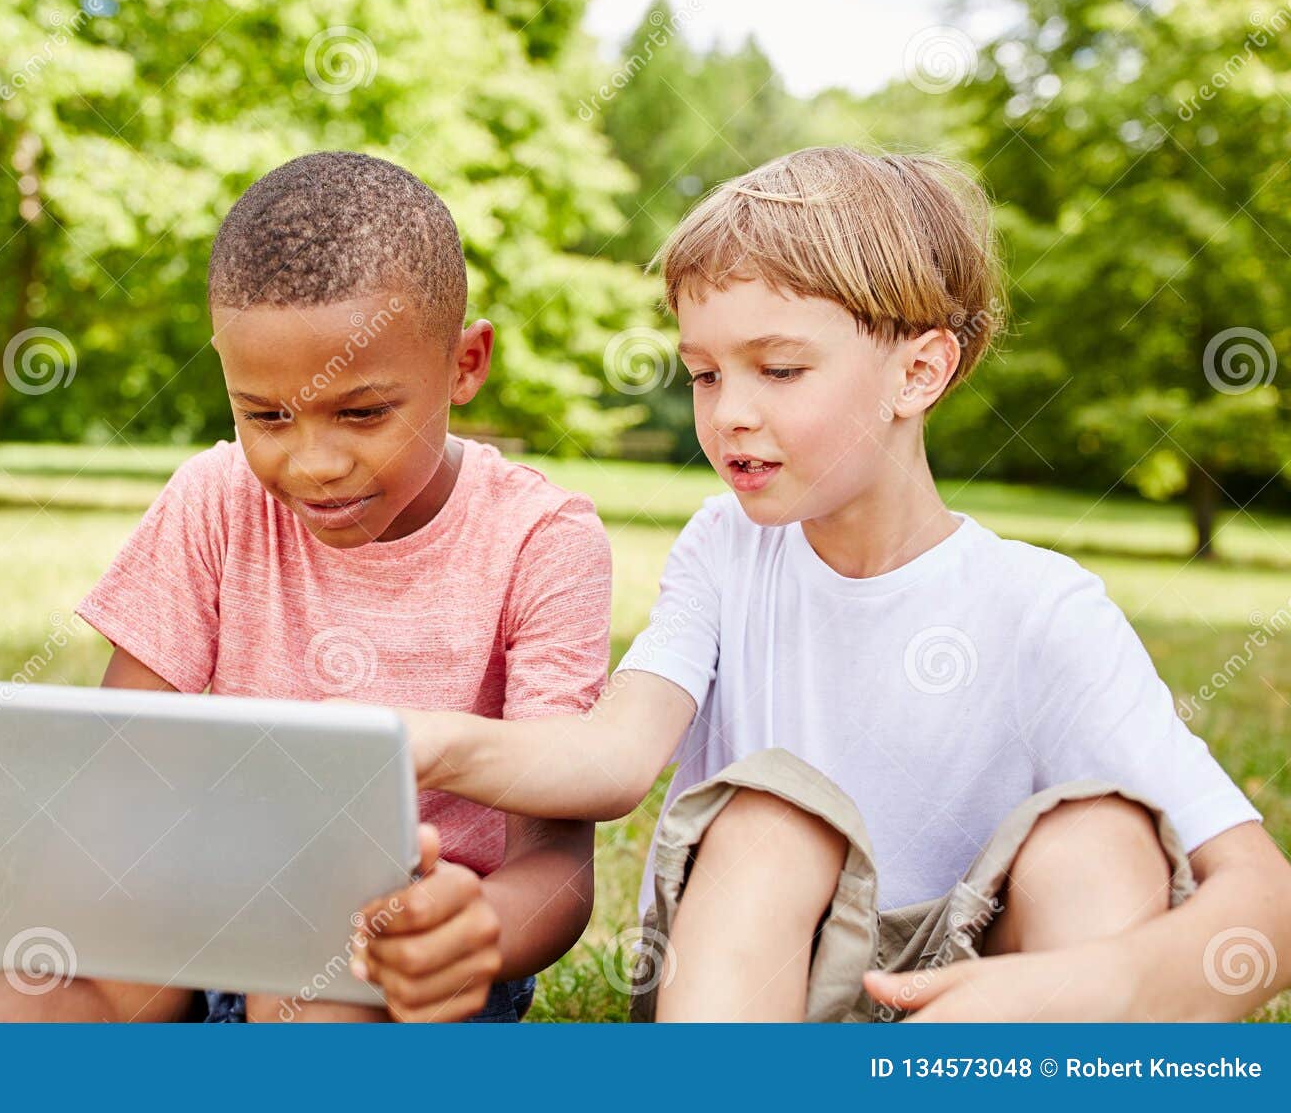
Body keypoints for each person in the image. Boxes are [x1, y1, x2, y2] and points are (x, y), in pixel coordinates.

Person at [399, 145, 1291, 1022]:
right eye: (704, 374)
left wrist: (1087, 987)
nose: (728, 412)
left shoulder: (1042, 607)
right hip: (756, 989)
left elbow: (1266, 902)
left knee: (1105, 839)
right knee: (769, 822)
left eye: (780, 370)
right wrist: (431, 745)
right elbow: (613, 757)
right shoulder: (724, 550)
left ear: (919, 373)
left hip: (978, 1011)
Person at [0, 151, 612, 1023]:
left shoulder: (541, 539)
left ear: (465, 363)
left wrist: (474, 929)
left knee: (310, 1002)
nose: (313, 464)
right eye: (266, 415)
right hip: (203, 911)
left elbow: (557, 868)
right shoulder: (213, 498)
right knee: (34, 997)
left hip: (399, 952)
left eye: (363, 413)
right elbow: (124, 763)